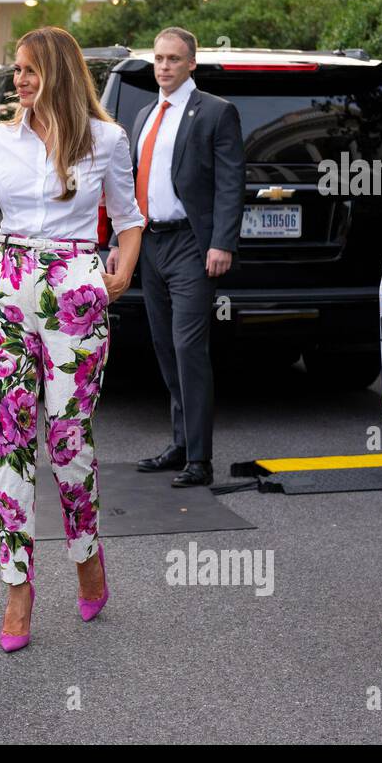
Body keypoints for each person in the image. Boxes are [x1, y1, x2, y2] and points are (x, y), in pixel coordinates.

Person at [0, 26, 145, 653]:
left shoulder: (106, 139)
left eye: (28, 69)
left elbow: (130, 219)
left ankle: (86, 554)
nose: (19, 79)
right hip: (9, 288)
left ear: (57, 71)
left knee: (67, 440)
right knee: (10, 439)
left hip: (77, 291)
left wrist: (121, 275)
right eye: (15, 69)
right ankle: (18, 587)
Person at [108, 26, 246, 488]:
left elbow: (230, 183)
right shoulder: (146, 113)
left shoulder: (215, 112)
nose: (163, 66)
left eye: (173, 59)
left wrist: (221, 242)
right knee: (164, 345)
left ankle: (200, 460)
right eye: (159, 59)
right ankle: (180, 444)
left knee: (189, 347)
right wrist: (117, 241)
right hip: (149, 243)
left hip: (191, 243)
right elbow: (129, 184)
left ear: (191, 63)